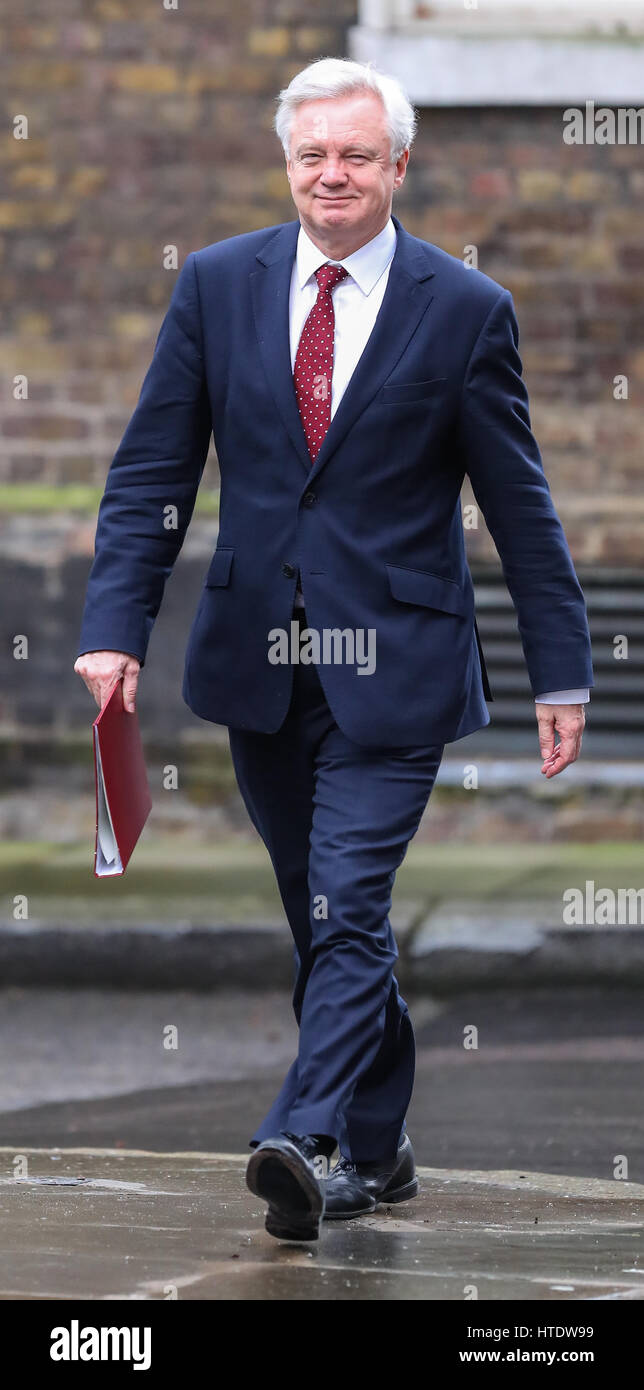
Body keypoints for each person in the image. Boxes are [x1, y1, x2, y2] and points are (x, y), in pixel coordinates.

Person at [74, 57, 593, 1243]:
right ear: (287, 162)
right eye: (311, 154)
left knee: (349, 902)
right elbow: (152, 472)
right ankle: (377, 1143)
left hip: (397, 665)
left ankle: (300, 1135)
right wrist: (113, 632)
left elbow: (518, 505)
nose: (331, 175)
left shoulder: (463, 310)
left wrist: (559, 669)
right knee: (324, 922)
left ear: (398, 166)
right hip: (257, 666)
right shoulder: (216, 286)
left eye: (355, 155)